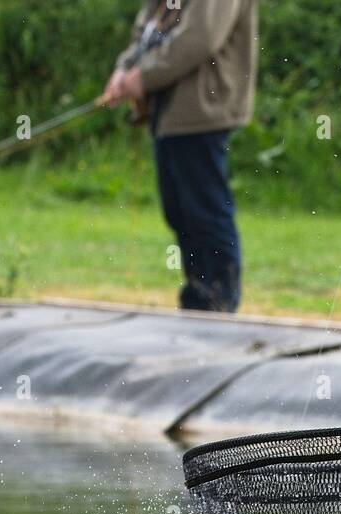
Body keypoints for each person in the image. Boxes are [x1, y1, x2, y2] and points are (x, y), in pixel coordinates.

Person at [100, 0, 258, 313]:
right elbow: (148, 26)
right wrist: (124, 70)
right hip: (169, 114)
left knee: (205, 211)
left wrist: (143, 77)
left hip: (203, 110)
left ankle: (217, 302)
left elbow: (200, 37)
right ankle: (199, 300)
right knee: (179, 211)